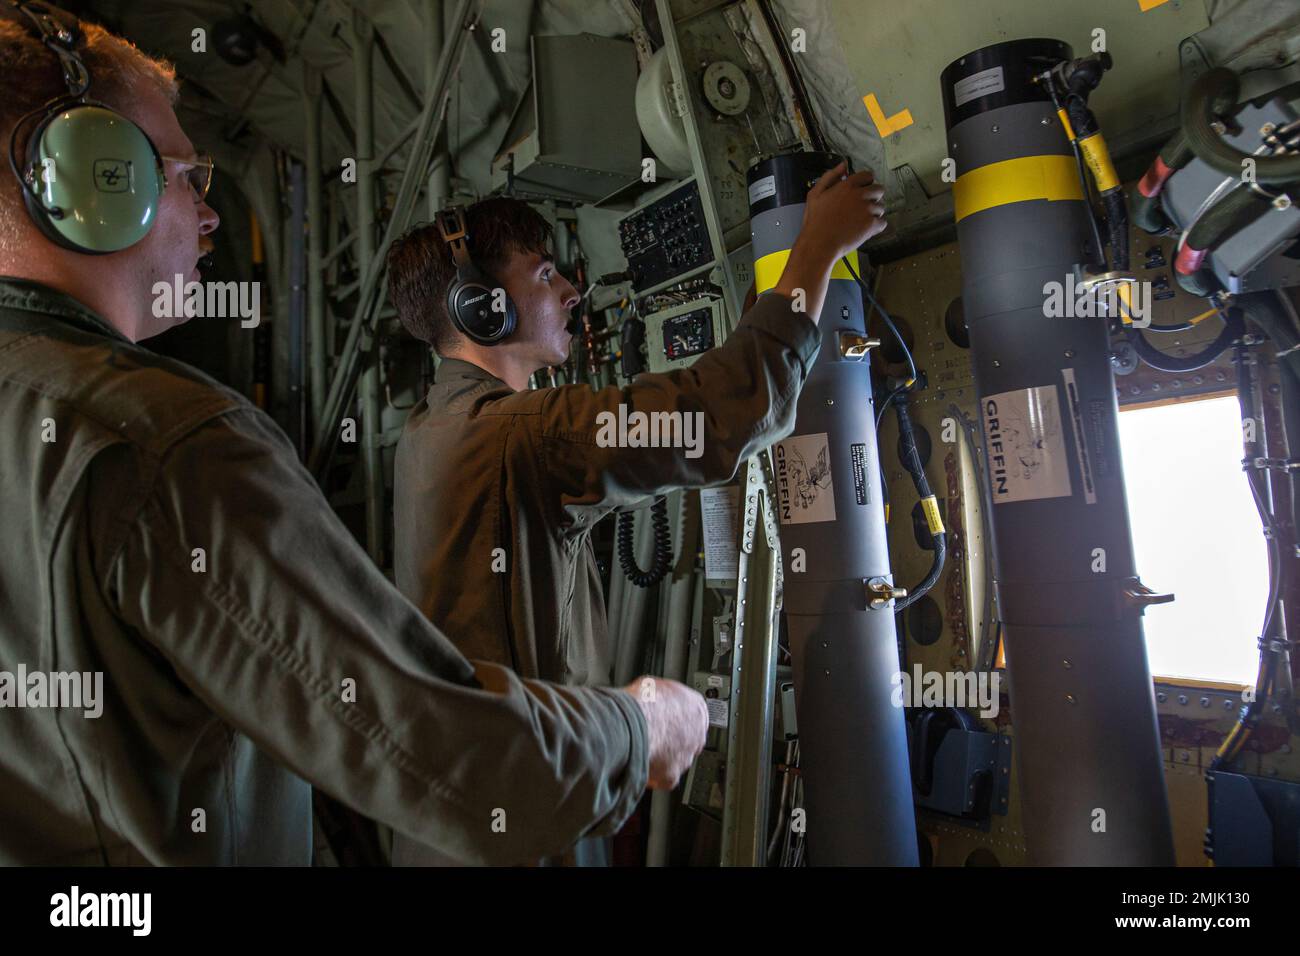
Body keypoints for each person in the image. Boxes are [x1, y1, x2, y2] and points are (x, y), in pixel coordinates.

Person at [0, 2, 706, 866]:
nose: (210, 218)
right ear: (94, 175)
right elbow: (439, 749)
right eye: (187, 177)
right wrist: (643, 725)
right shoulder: (172, 443)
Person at [387, 163, 886, 864]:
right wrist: (817, 249)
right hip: (529, 821)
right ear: (482, 306)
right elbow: (718, 413)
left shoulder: (423, 432)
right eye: (544, 274)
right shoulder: (521, 433)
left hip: (454, 814)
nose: (570, 290)